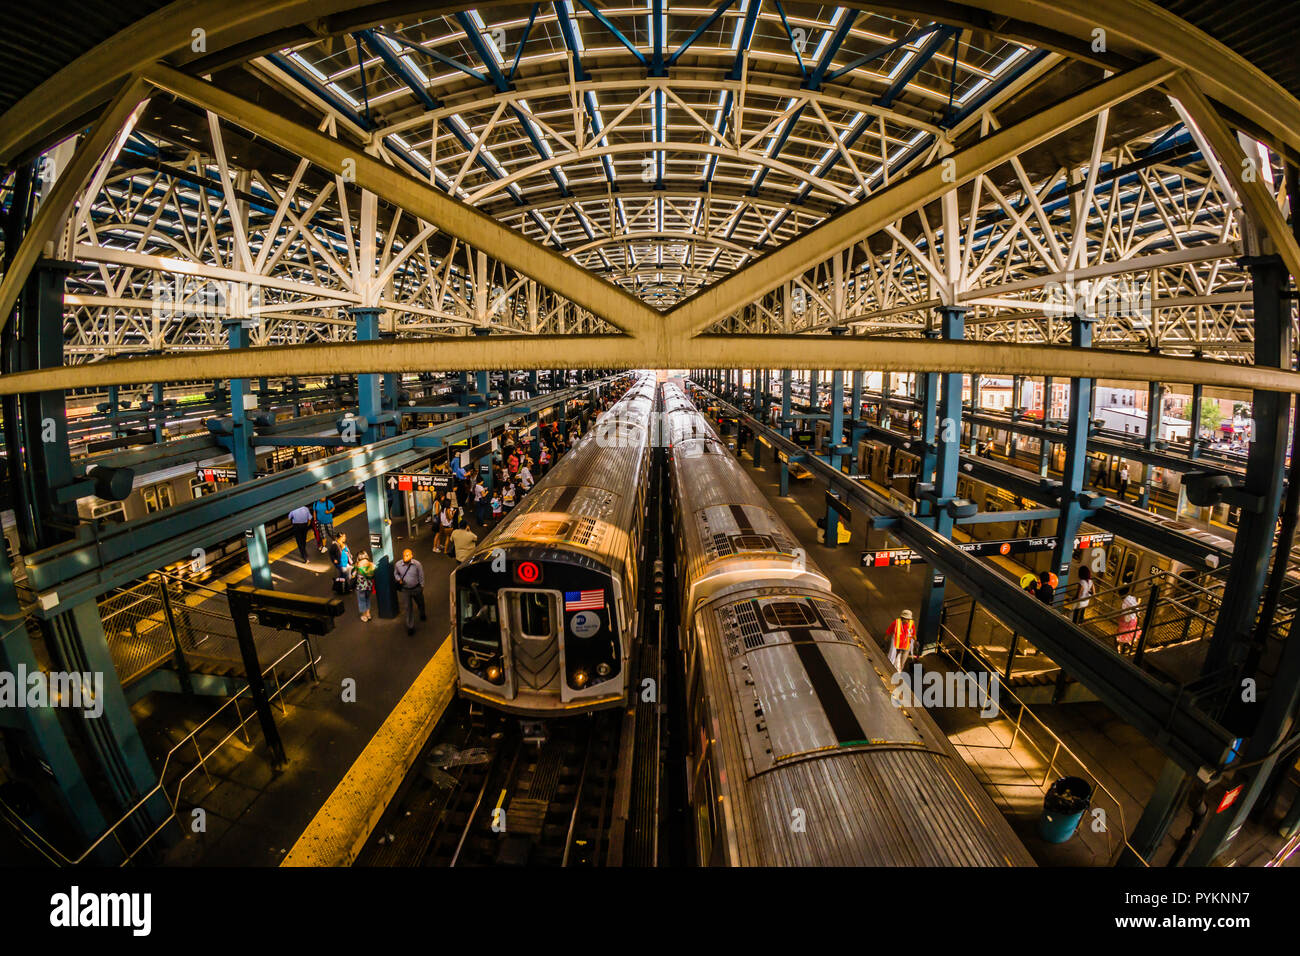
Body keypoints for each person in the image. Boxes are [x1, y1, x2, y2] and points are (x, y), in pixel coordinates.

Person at [393, 548, 426, 635]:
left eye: (407, 555)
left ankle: (422, 613)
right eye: (404, 555)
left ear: (411, 556)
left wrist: (421, 586)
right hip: (405, 590)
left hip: (416, 588)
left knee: (420, 603)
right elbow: (395, 573)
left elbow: (421, 575)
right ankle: (410, 627)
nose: (405, 557)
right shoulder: (398, 564)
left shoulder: (417, 564)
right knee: (408, 608)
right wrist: (399, 579)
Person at [354, 552, 376, 622]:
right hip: (369, 585)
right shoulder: (371, 564)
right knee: (367, 599)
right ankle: (368, 614)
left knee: (362, 601)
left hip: (360, 586)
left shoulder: (357, 565)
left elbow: (353, 574)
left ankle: (364, 616)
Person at [1117, 588, 1141, 653]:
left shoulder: (1125, 600)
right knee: (1130, 633)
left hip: (1128, 618)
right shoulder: (1131, 597)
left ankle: (1123, 648)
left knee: (1123, 632)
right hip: (1133, 618)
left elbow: (1124, 610)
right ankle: (1128, 645)